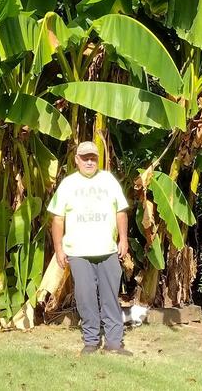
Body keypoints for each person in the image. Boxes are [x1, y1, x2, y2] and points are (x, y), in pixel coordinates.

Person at [48, 140, 132, 356]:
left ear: (98, 159)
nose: (89, 161)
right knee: (85, 297)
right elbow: (58, 219)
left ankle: (114, 342)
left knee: (110, 296)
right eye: (84, 157)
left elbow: (120, 211)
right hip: (78, 252)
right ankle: (91, 341)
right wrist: (58, 248)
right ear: (76, 160)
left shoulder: (108, 180)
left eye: (93, 157)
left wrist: (123, 239)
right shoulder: (68, 184)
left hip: (107, 249)